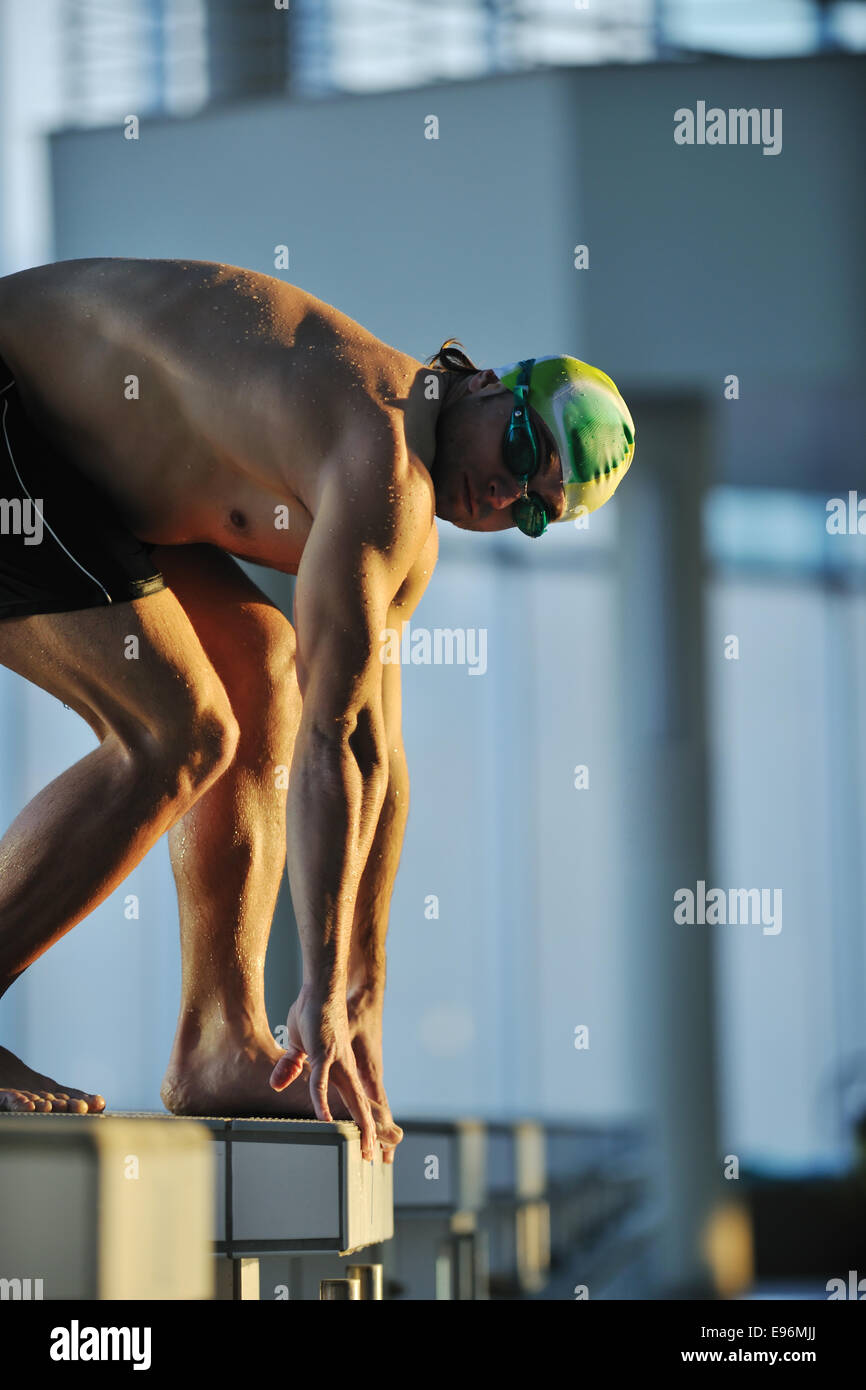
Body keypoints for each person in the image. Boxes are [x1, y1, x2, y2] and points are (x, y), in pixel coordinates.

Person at [0, 257, 634, 1161]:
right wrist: (322, 991)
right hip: (15, 409)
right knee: (175, 735)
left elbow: (377, 754)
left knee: (263, 663)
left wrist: (362, 990)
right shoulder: (379, 452)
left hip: (72, 462)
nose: (502, 495)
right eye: (522, 454)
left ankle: (220, 1040)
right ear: (489, 385)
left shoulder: (407, 526)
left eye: (532, 511)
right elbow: (332, 740)